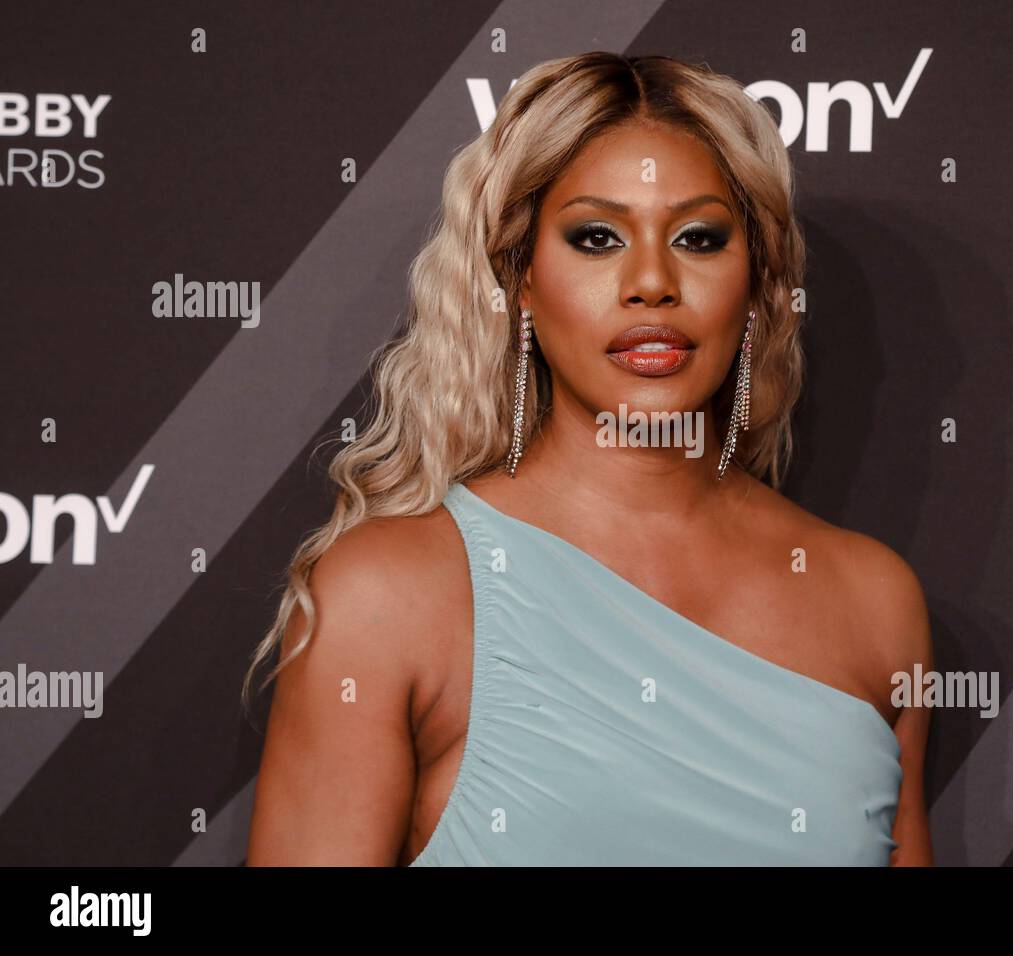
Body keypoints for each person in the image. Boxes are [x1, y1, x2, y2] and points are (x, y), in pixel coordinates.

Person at [243, 51, 933, 866]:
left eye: (699, 238)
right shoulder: (389, 593)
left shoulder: (872, 600)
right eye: (597, 237)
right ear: (520, 278)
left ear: (756, 282)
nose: (652, 281)